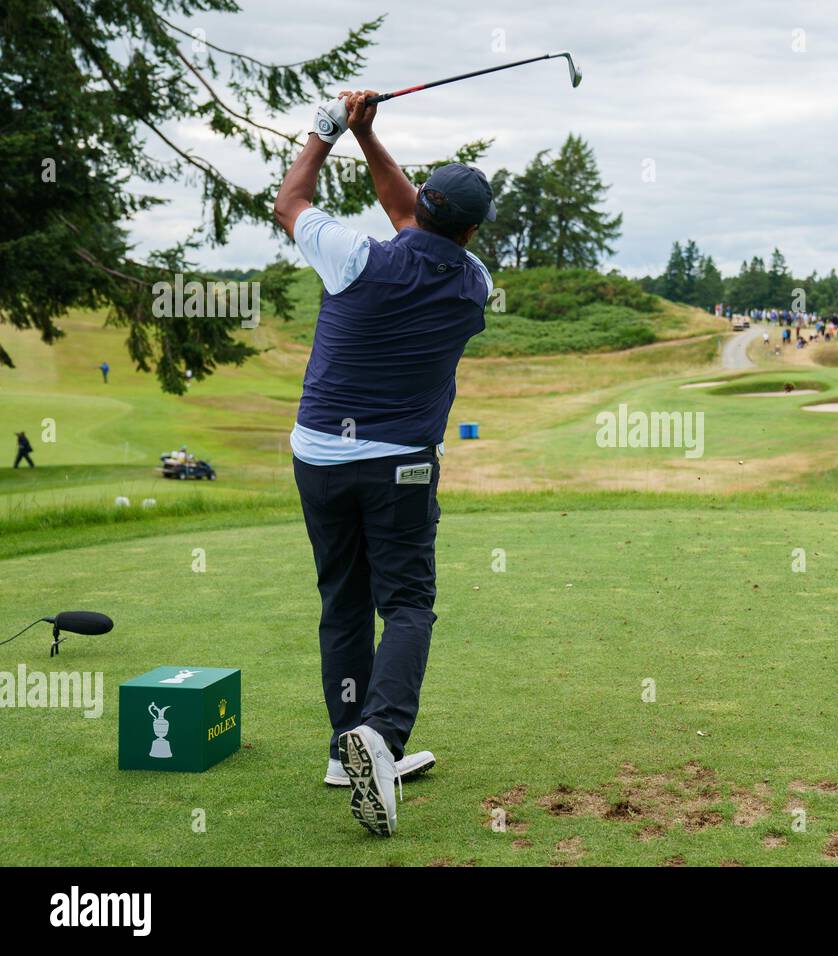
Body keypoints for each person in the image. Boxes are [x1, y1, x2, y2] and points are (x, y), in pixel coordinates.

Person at [274, 89, 490, 837]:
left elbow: (290, 200)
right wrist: (369, 138)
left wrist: (329, 131)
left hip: (320, 456)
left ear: (423, 204)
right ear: (469, 228)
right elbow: (418, 224)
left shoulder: (352, 257)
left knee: (342, 598)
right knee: (405, 605)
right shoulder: (474, 285)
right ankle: (380, 736)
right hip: (400, 464)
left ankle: (346, 746)